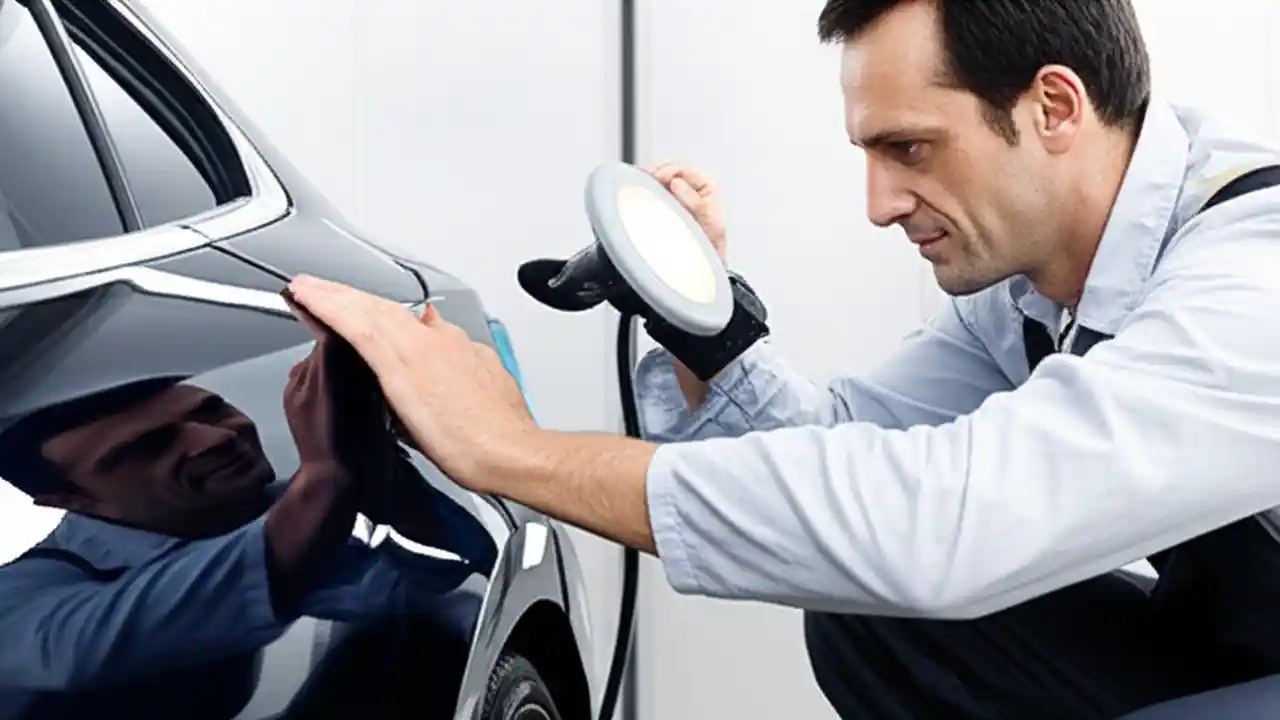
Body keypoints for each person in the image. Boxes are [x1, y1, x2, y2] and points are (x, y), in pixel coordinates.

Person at [282, 0, 1280, 717]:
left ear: (1052, 108)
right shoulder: (1029, 285)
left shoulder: (1252, 276)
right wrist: (700, 322)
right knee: (871, 612)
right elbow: (837, 460)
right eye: (866, 155)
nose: (878, 203)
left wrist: (509, 452)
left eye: (910, 150)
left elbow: (952, 523)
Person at [0, 332, 490, 716]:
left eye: (209, 410)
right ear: (71, 500)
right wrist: (324, 480)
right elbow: (81, 649)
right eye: (150, 448)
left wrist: (374, 466)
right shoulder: (21, 594)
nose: (211, 439)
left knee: (432, 632)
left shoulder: (270, 513)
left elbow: (445, 579)